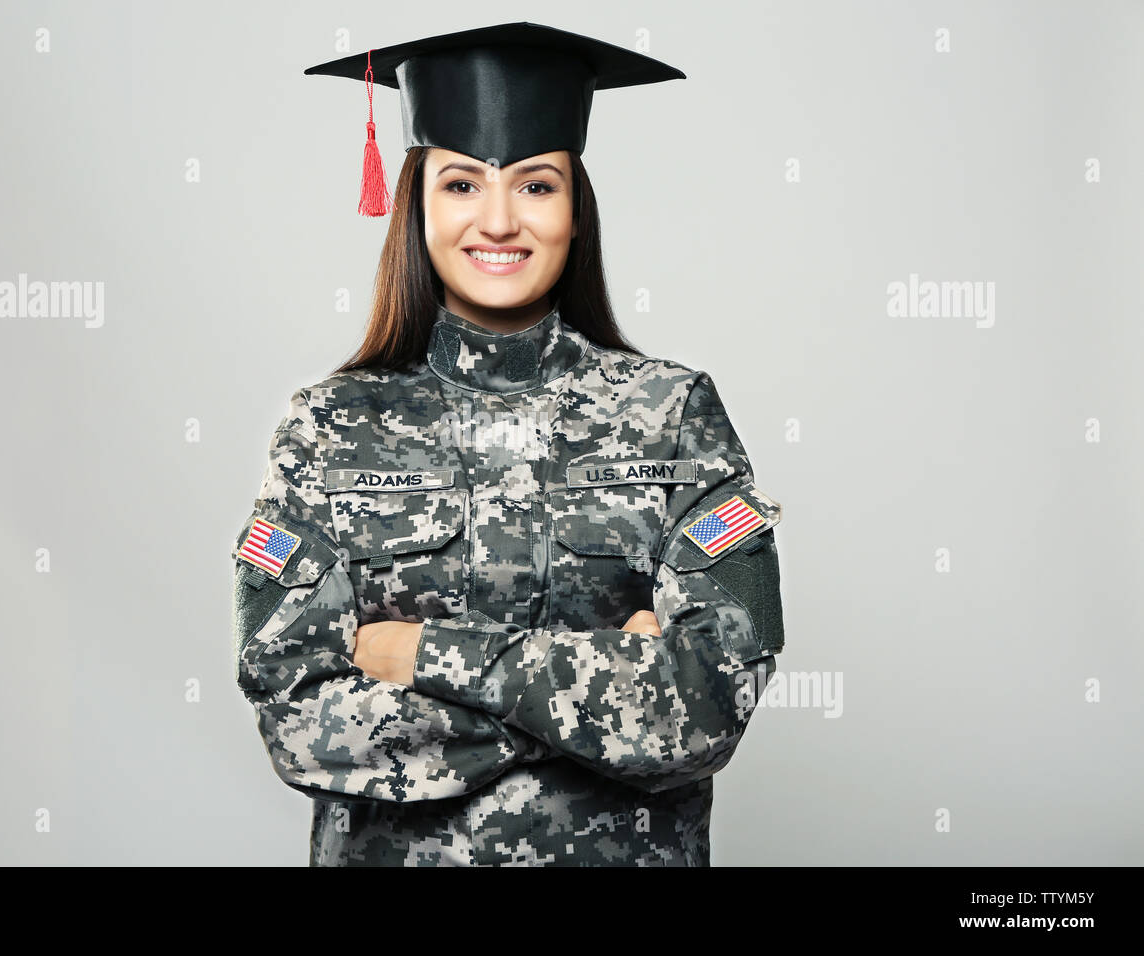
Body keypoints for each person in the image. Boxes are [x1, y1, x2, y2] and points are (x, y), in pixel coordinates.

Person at [231, 21, 786, 866]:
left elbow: (705, 706)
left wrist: (416, 653)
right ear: (417, 203)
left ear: (574, 209)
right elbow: (299, 722)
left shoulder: (673, 414)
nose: (497, 220)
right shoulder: (328, 428)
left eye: (535, 186)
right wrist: (602, 695)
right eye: (460, 185)